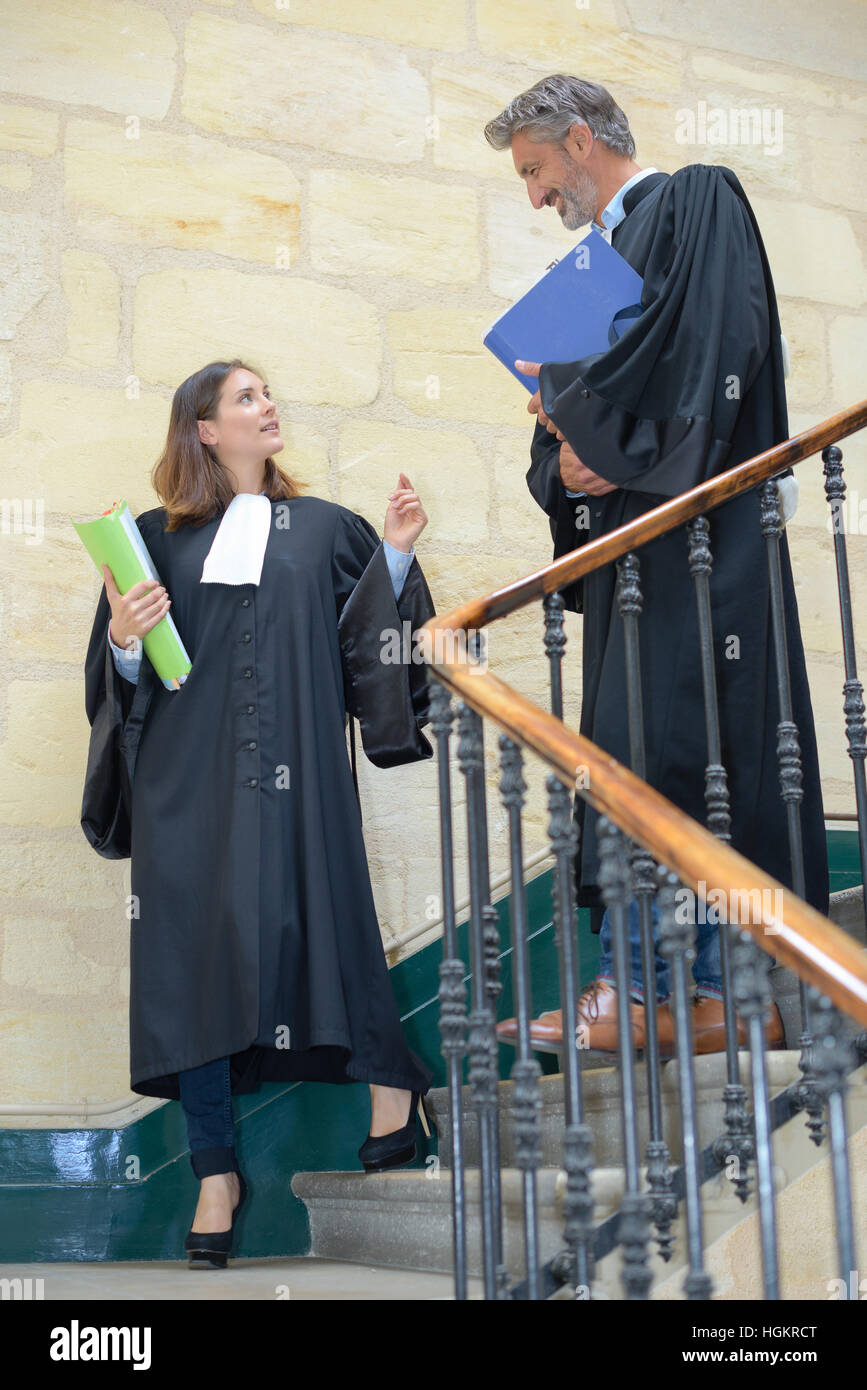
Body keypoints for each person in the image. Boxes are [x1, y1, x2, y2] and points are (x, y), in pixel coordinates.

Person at [486, 75, 829, 1055]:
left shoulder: (695, 202)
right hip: (637, 566)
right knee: (636, 762)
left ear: (583, 139)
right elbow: (557, 458)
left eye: (537, 171)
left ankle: (694, 990)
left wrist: (596, 429)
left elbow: (715, 359)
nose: (534, 197)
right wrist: (576, 462)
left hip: (706, 552)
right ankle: (654, 989)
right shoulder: (583, 282)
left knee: (699, 755)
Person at [80, 358, 436, 1266]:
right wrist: (124, 641)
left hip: (299, 770)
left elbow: (375, 646)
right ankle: (214, 1169)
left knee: (330, 920)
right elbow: (121, 683)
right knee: (189, 966)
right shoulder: (149, 541)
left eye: (266, 393)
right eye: (245, 398)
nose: (267, 405)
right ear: (204, 429)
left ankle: (391, 1091)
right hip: (182, 786)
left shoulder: (323, 531)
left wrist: (393, 553)